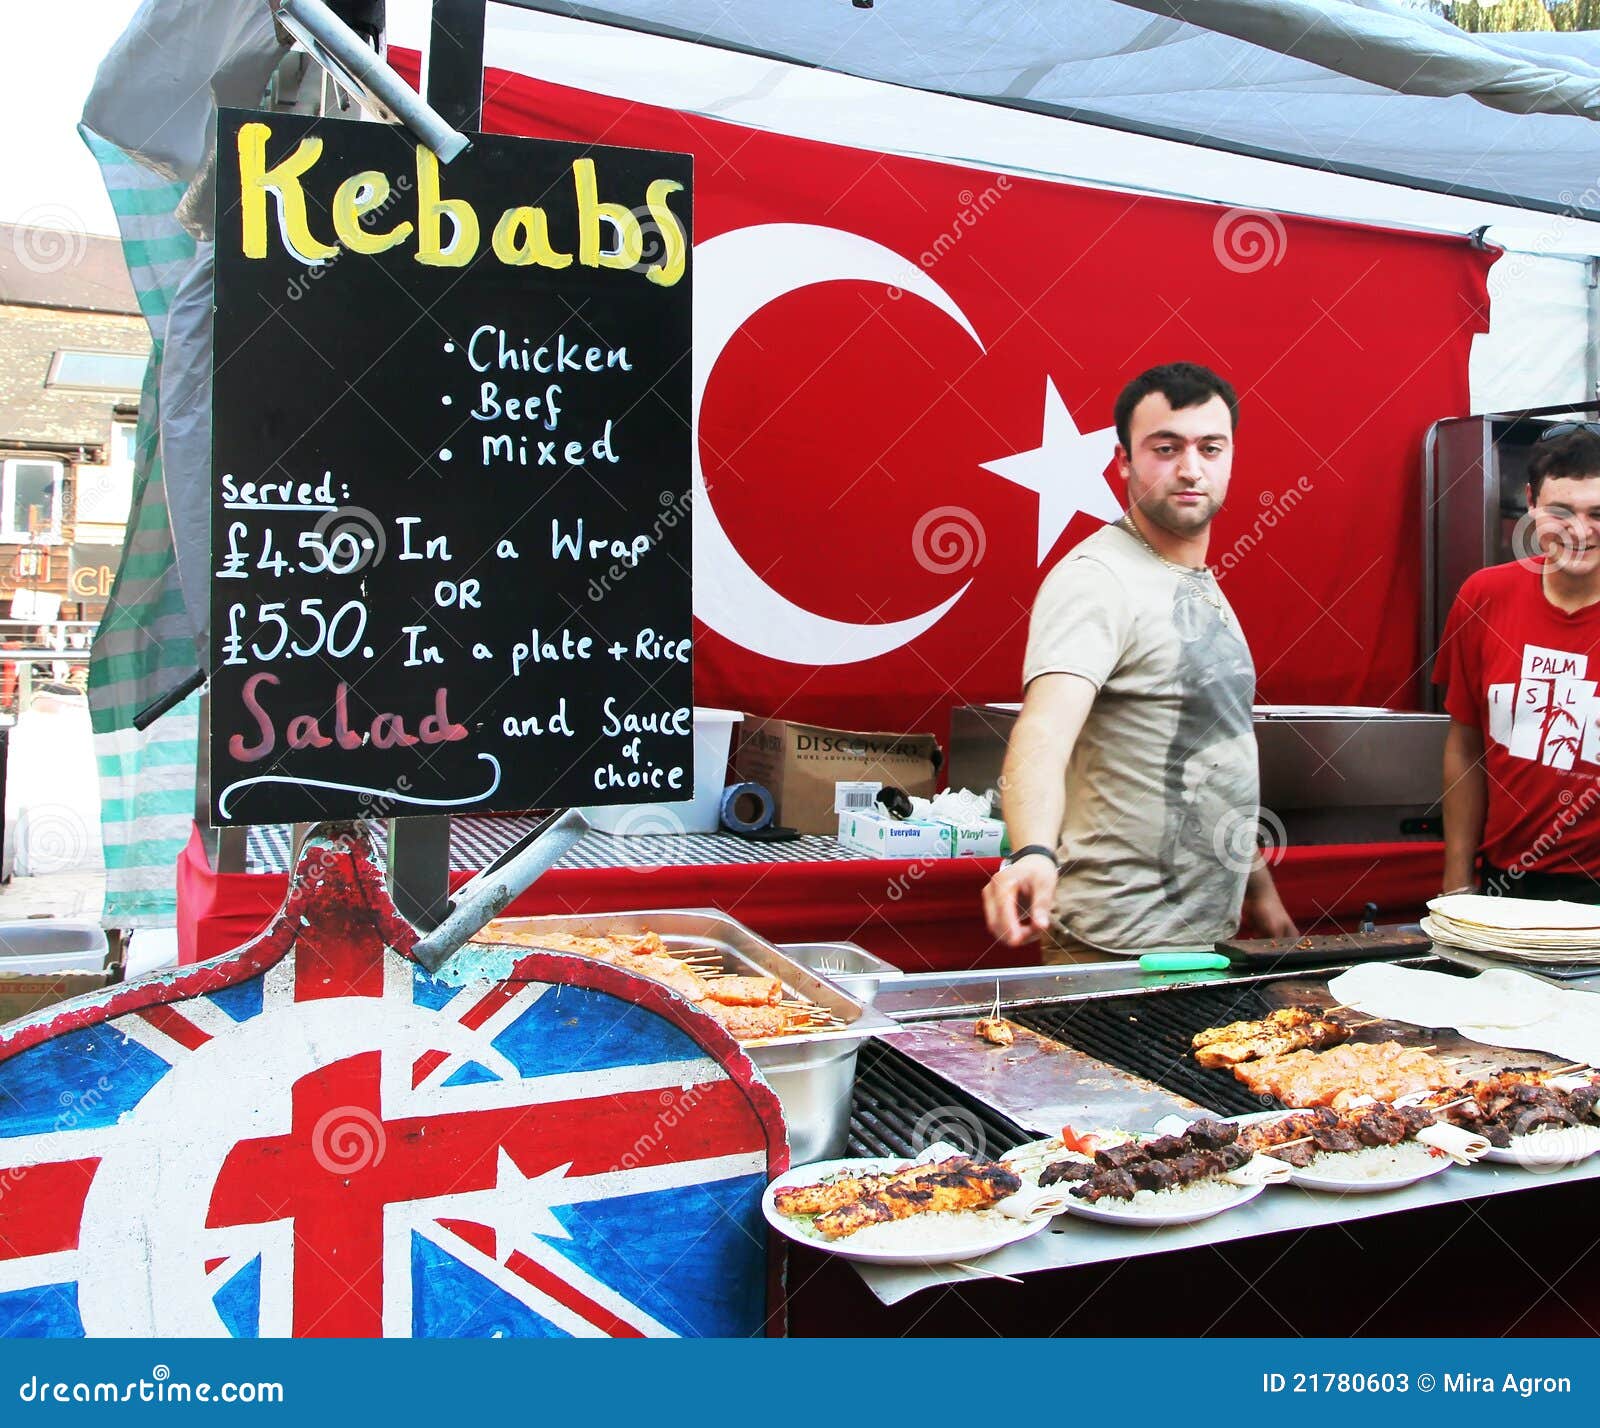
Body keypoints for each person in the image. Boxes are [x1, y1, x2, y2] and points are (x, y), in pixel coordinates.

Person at [982, 361, 1297, 960]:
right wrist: (1031, 853)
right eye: (1165, 448)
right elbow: (1044, 730)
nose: (1189, 468)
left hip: (1203, 939)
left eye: (1210, 447)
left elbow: (1211, 748)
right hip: (1112, 944)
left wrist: (1260, 889)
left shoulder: (1196, 582)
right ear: (1124, 461)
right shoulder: (1098, 578)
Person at [1435, 423, 1600, 904]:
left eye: (1598, 513)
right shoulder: (1484, 596)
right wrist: (1457, 881)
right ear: (1530, 502)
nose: (1578, 530)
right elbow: (1465, 748)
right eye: (1560, 511)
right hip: (1508, 886)